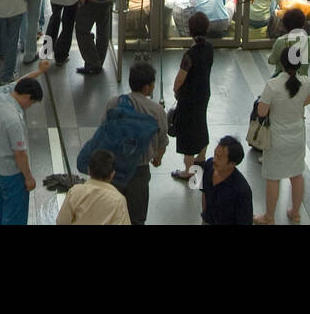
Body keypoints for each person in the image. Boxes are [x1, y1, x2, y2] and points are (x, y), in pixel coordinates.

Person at [254, 49, 310, 224]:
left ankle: (269, 217)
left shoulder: (273, 85)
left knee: (273, 177)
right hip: (298, 136)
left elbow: (262, 111)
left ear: (282, 63)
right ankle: (296, 213)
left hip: (276, 138)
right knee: (297, 175)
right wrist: (301, 103)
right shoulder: (305, 82)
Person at [0, 62, 51, 225]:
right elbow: (20, 154)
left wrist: (39, 72)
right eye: (31, 103)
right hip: (12, 173)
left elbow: (22, 81)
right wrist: (28, 178)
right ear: (27, 97)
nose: (29, 107)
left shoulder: (0, 94)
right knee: (15, 213)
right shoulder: (14, 120)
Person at [103, 61, 168, 225]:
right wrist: (157, 158)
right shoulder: (156, 110)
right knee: (136, 217)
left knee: (112, 215)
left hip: (114, 168)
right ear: (147, 87)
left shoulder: (114, 102)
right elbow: (162, 142)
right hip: (139, 171)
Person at [171, 11, 214, 180]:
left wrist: (176, 90)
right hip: (204, 93)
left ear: (190, 30)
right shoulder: (210, 48)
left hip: (189, 97)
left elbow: (180, 78)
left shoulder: (190, 55)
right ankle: (201, 157)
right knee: (201, 123)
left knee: (187, 132)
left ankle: (188, 170)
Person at [57, 150, 131, 225]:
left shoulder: (75, 192)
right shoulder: (119, 200)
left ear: (88, 170)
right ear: (112, 174)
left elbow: (61, 222)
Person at [196, 136, 253, 225]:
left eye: (219, 157)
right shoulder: (209, 165)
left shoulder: (242, 191)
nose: (214, 160)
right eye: (215, 154)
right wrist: (205, 217)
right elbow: (205, 193)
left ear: (232, 164)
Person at [268, 7, 310, 77]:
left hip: (281, 78)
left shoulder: (280, 42)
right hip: (303, 79)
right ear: (303, 25)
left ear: (284, 26)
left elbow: (271, 61)